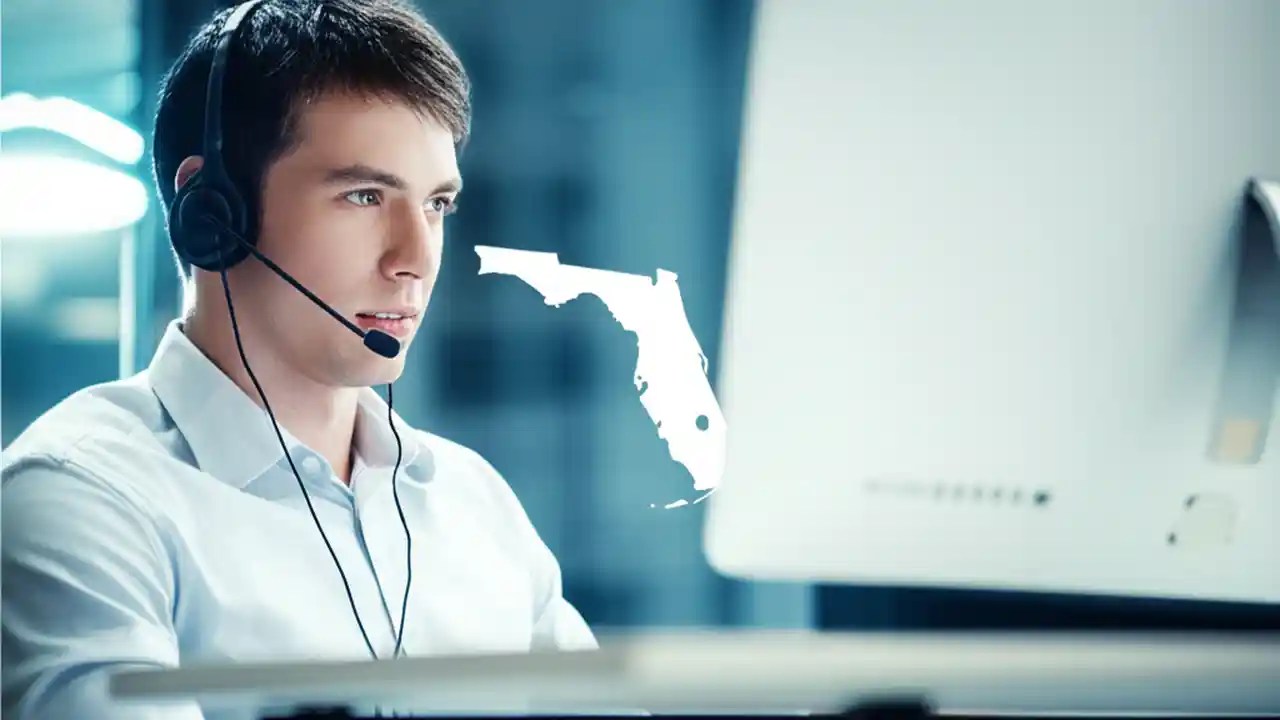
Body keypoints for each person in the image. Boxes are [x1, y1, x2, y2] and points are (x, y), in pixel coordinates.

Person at [0, 1, 596, 718]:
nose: (415, 259)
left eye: (437, 205)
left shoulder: (474, 503)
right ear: (213, 213)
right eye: (365, 195)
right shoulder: (79, 499)